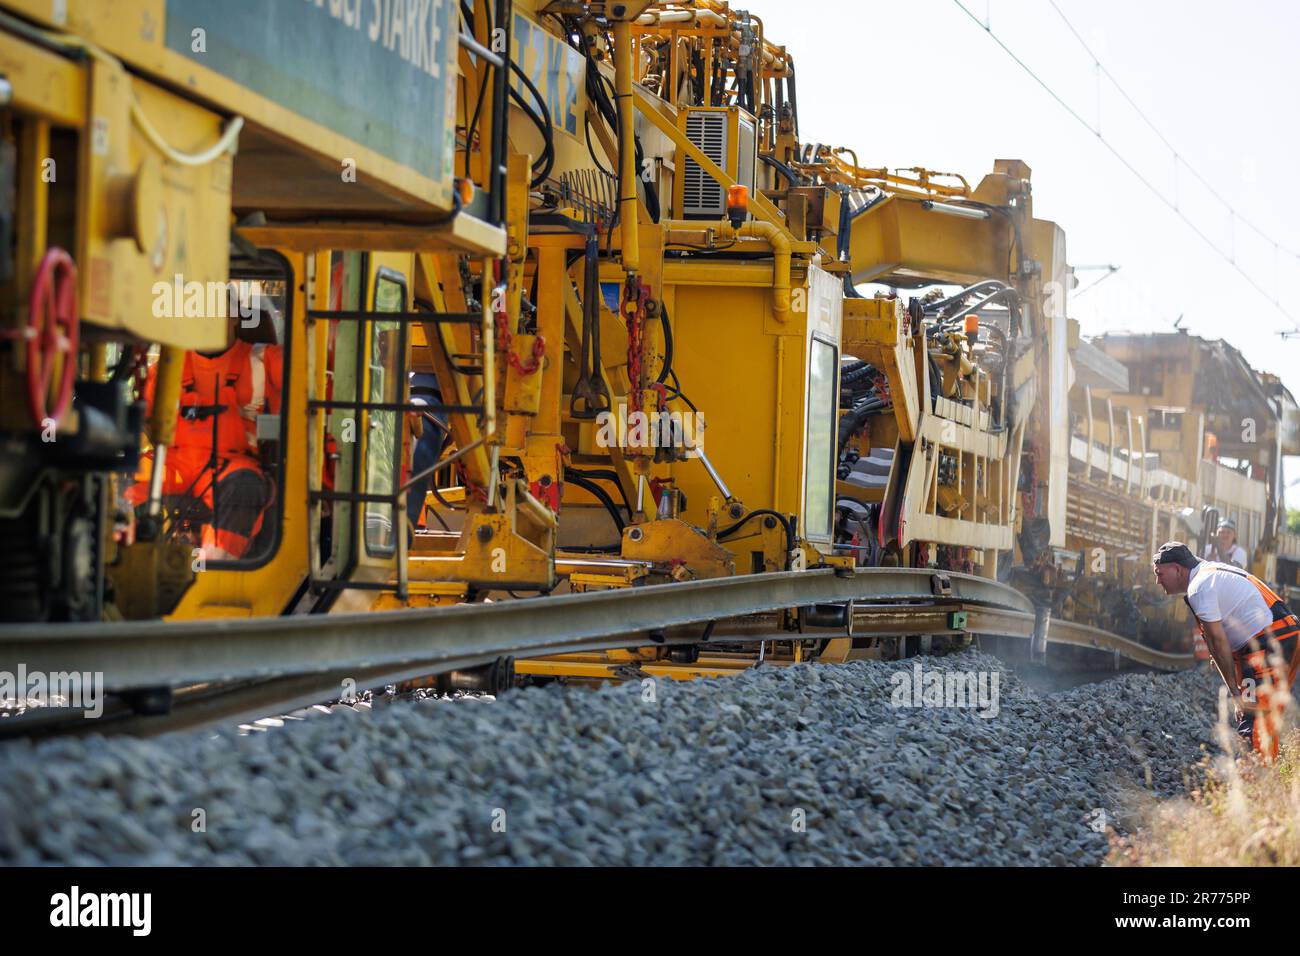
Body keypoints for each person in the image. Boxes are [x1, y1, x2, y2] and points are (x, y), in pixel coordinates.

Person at [127, 305, 283, 560]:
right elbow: (145, 422)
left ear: (235, 317)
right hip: (175, 464)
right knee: (123, 476)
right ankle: (128, 557)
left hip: (234, 466)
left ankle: (210, 569)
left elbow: (310, 372)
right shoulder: (168, 365)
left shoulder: (265, 360)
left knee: (244, 486)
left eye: (216, 311)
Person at [1152, 541, 1300, 761]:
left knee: (1252, 720)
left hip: (1265, 647)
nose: (1157, 580)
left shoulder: (1199, 587)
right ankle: (1271, 782)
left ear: (1177, 569)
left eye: (1159, 573)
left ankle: (1254, 784)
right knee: (1266, 718)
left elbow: (1218, 642)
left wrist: (1235, 693)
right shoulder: (1210, 571)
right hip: (1287, 635)